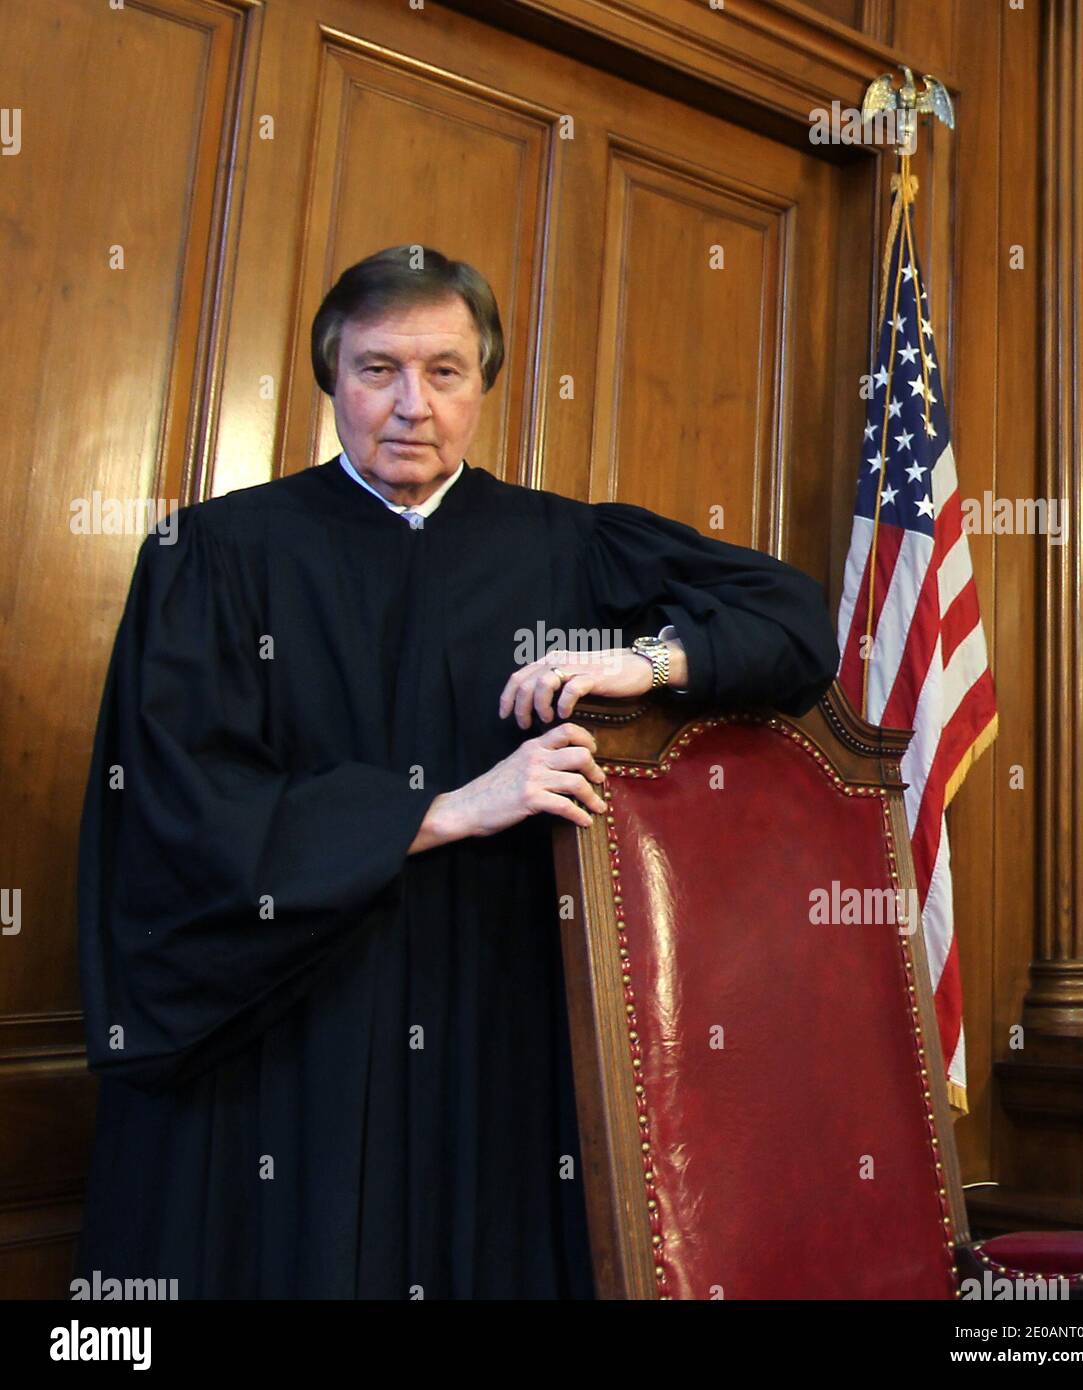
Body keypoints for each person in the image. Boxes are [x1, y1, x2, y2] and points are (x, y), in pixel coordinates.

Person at [73, 245, 839, 1299]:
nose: (409, 406)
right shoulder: (213, 553)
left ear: (485, 383)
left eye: (444, 371)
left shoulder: (570, 547)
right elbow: (176, 808)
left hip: (501, 1012)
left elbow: (794, 623)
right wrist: (441, 809)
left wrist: (647, 659)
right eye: (376, 369)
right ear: (329, 377)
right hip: (285, 1024)